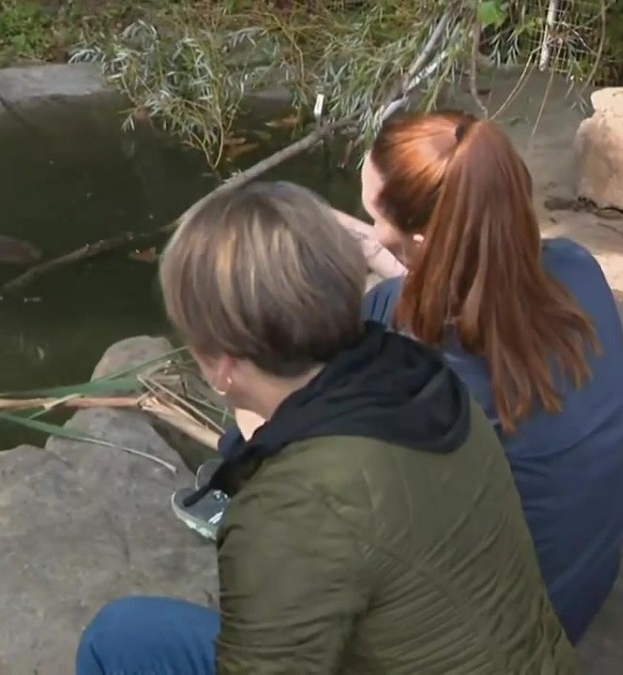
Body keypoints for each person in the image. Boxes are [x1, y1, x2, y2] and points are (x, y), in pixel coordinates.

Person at [183, 110, 623, 645]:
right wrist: (387, 252)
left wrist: (244, 395)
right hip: (576, 593)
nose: (367, 220)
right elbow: (468, 286)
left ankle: (227, 489)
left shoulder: (411, 357)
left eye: (373, 211)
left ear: (423, 237)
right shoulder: (576, 267)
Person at [77, 180, 576, 674]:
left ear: (223, 365)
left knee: (114, 642)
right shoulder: (422, 381)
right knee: (124, 635)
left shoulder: (290, 510)